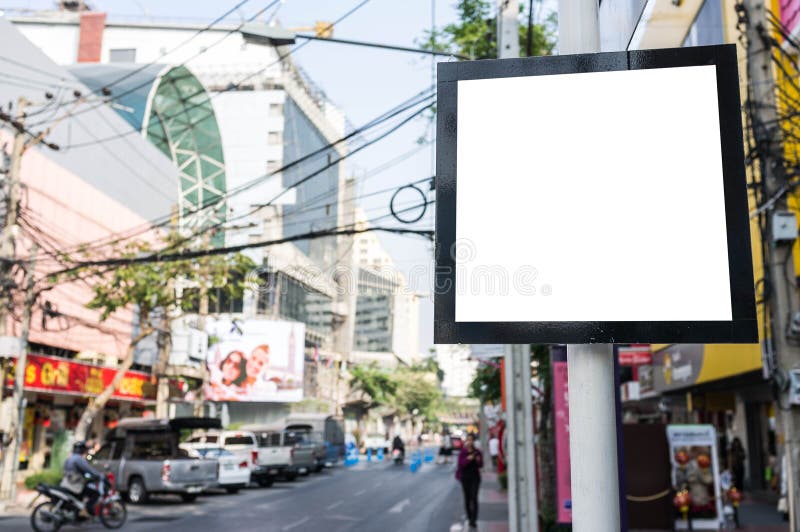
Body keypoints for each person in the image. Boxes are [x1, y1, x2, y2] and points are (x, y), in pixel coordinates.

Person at [62, 441, 104, 517]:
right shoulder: (79, 459)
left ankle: (78, 513)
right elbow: (89, 470)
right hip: (75, 485)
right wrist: (99, 475)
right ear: (82, 450)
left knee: (80, 496)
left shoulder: (69, 458)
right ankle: (89, 509)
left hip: (66, 483)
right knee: (95, 494)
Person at [456, 433, 483, 530]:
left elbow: (480, 465)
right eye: (468, 440)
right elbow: (461, 464)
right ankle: (469, 516)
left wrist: (478, 460)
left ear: (473, 441)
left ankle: (473, 520)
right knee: (467, 499)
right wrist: (468, 459)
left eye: (471, 440)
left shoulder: (477, 452)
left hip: (475, 477)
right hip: (465, 478)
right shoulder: (463, 452)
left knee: (474, 498)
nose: (469, 442)